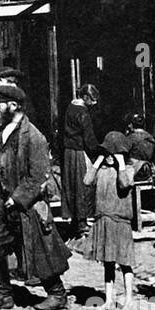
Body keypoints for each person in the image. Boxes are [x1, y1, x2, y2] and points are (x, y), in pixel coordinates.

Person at [0, 85, 69, 310]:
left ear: (13, 106)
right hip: (1, 204)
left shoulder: (34, 137)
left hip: (27, 206)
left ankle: (57, 294)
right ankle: (3, 294)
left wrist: (17, 197)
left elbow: (39, 175)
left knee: (41, 249)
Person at [84, 132, 136, 310]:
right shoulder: (102, 170)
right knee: (108, 262)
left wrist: (121, 164)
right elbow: (87, 180)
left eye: (113, 154)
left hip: (120, 222)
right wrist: (97, 162)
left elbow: (123, 185)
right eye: (106, 153)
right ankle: (109, 300)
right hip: (104, 220)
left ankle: (129, 300)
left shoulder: (128, 170)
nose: (109, 157)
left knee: (124, 261)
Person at [60, 83, 99, 238]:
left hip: (68, 152)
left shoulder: (70, 108)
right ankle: (82, 224)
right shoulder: (83, 113)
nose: (94, 103)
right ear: (85, 97)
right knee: (83, 186)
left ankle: (75, 221)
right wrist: (98, 151)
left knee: (71, 186)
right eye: (92, 99)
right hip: (79, 153)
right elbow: (88, 139)